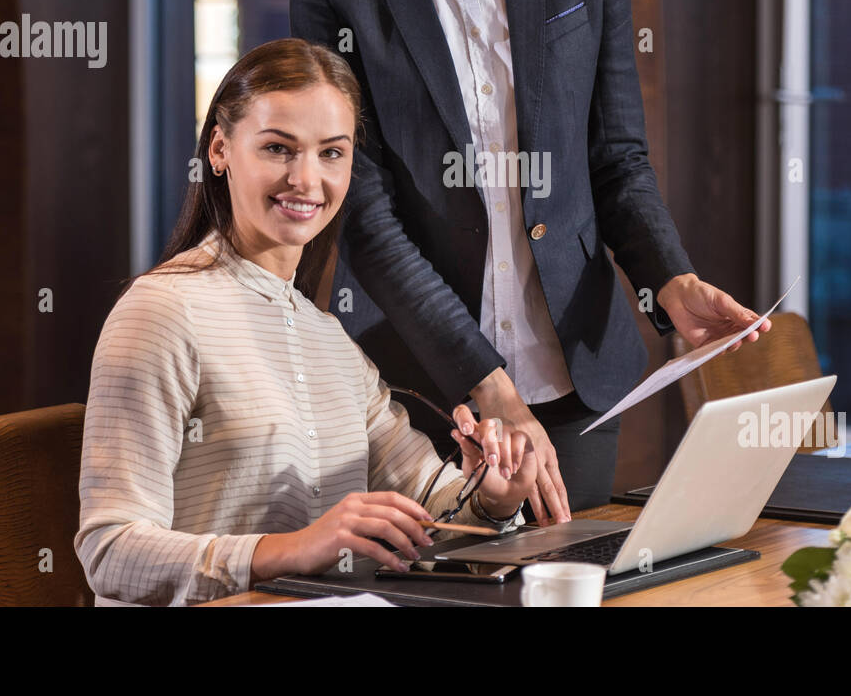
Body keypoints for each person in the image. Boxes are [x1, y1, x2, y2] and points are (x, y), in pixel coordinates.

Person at [288, 0, 768, 527]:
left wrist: (671, 282)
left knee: (565, 582)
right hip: (421, 387)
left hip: (574, 376)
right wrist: (489, 382)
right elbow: (366, 218)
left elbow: (616, 162)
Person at [75, 39, 537, 606]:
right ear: (219, 150)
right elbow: (110, 549)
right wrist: (292, 548)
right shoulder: (162, 312)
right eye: (278, 148)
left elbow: (427, 496)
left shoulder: (328, 338)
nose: (306, 179)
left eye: (331, 153)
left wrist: (491, 495)